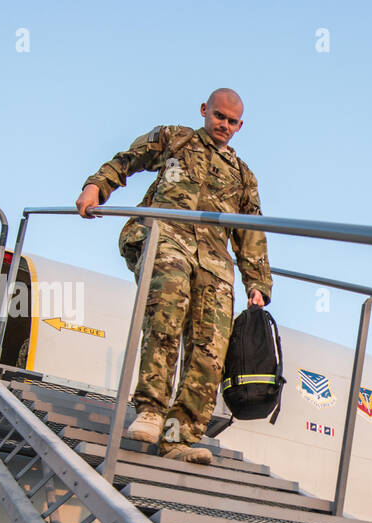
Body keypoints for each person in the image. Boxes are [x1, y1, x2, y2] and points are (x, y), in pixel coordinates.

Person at [75, 88, 272, 465]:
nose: (224, 126)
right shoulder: (175, 139)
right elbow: (127, 160)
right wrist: (96, 186)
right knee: (168, 305)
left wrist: (258, 283)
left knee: (210, 350)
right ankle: (151, 409)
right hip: (164, 239)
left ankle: (178, 435)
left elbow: (251, 232)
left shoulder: (244, 176)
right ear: (204, 110)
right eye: (219, 116)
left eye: (232, 122)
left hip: (214, 264)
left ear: (240, 125)